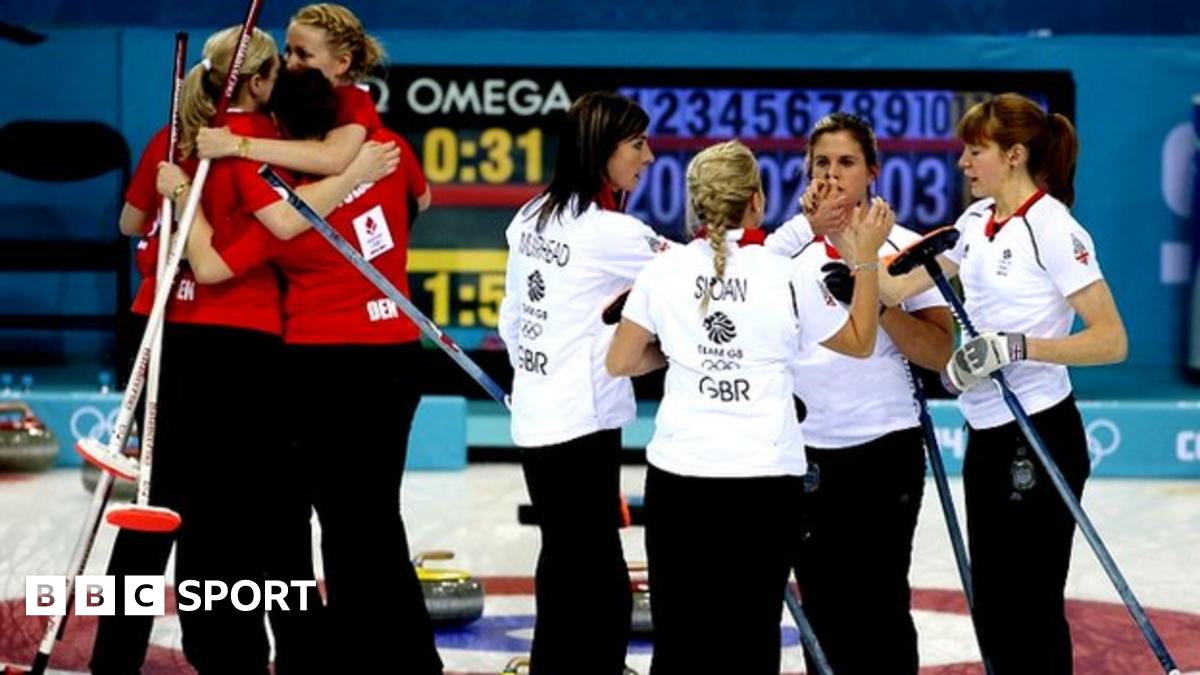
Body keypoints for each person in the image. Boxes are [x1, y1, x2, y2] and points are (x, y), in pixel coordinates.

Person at [127, 25, 394, 675]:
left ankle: (124, 655)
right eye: (285, 62)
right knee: (249, 518)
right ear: (258, 81)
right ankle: (243, 657)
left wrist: (175, 191)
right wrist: (355, 172)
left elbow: (130, 223)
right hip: (240, 344)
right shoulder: (258, 149)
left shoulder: (174, 137)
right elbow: (269, 230)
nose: (295, 71)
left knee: (156, 508)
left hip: (163, 331)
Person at [165, 65, 440, 673]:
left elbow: (213, 265)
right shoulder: (386, 149)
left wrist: (184, 193)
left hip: (317, 362)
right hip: (394, 355)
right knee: (370, 522)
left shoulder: (277, 190)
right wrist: (358, 174)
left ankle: (313, 658)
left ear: (280, 125)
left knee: (298, 522)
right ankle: (405, 662)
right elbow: (421, 199)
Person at [607, 139, 893, 674]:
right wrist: (866, 260)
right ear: (756, 201)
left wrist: (684, 353)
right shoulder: (787, 275)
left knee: (679, 641)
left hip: (680, 479)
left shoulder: (663, 272)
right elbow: (860, 341)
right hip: (764, 483)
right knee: (751, 640)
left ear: (696, 204)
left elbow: (621, 360)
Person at [881, 92, 1128, 674]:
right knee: (992, 607)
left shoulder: (1053, 228)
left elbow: (1111, 340)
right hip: (988, 432)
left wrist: (1019, 347)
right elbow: (895, 288)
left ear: (1014, 155)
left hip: (1040, 432)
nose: (963, 162)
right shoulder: (973, 223)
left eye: (976, 150)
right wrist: (857, 254)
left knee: (1030, 609)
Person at [763, 112, 954, 675]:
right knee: (822, 606)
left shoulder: (907, 249)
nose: (832, 175)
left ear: (872, 171)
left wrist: (873, 295)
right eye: (821, 163)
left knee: (880, 604)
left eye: (846, 162)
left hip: (883, 450)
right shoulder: (785, 250)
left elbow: (940, 353)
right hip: (803, 453)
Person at [496, 90, 670, 675]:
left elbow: (511, 318)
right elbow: (703, 276)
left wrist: (538, 374)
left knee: (566, 561)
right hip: (580, 425)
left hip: (538, 417)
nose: (648, 157)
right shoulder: (610, 233)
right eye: (637, 144)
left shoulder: (530, 215)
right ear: (603, 150)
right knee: (596, 578)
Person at [196, 2, 431, 212]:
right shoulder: (284, 95)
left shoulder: (354, 101)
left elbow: (333, 159)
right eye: (288, 51)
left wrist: (235, 145)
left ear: (342, 63)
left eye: (304, 55)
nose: (290, 62)